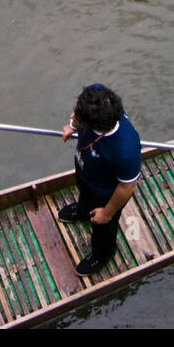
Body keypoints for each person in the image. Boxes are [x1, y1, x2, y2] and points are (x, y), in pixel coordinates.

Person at [58, 83, 141, 276]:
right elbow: (77, 113)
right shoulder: (98, 96)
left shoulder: (125, 151)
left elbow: (126, 187)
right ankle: (82, 211)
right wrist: (72, 126)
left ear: (96, 127)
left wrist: (107, 213)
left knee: (103, 228)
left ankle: (103, 253)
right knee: (84, 196)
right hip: (87, 172)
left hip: (105, 193)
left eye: (78, 118)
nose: (73, 114)